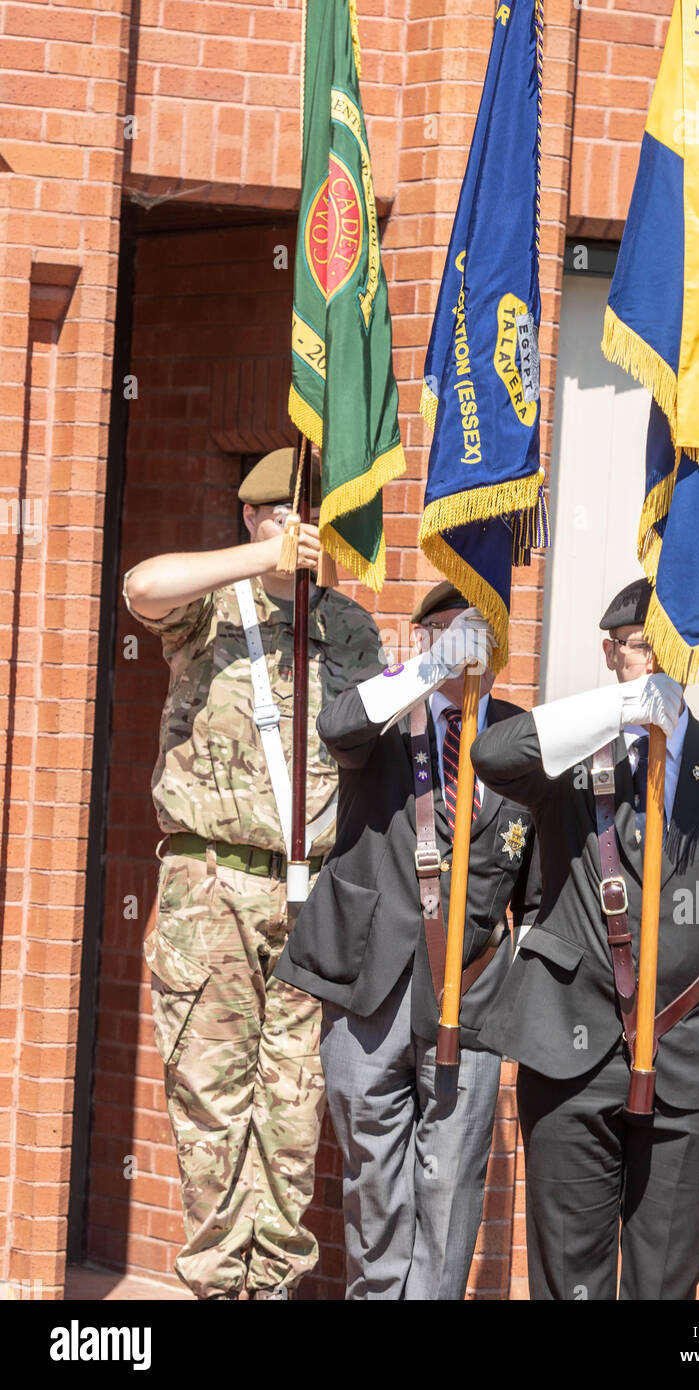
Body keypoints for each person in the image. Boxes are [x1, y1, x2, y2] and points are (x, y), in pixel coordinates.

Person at [471, 577, 699, 1301]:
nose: (651, 663)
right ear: (609, 654)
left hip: (687, 1056)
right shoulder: (566, 756)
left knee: (664, 1279)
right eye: (634, 649)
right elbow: (491, 756)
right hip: (569, 1050)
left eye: (666, 650)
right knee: (570, 1277)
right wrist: (616, 709)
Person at [124, 447, 383, 1301]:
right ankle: (215, 1286)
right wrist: (260, 561)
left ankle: (271, 1286)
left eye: (311, 523)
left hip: (308, 890)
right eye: (283, 519)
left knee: (291, 1107)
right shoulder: (214, 607)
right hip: (213, 888)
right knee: (211, 1102)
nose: (299, 536)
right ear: (252, 516)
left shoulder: (345, 627)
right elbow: (142, 587)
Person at [276, 582, 541, 1300]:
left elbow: (539, 890)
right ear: (420, 636)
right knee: (371, 1164)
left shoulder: (523, 740)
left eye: (475, 630)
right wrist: (424, 673)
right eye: (445, 629)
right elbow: (335, 727)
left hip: (473, 985)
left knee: (453, 1177)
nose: (461, 643)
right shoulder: (386, 720)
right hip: (373, 982)